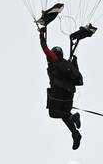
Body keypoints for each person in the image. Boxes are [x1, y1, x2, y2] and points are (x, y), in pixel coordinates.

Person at [38, 12, 97, 149]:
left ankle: (73, 121)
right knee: (64, 113)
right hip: (67, 97)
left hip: (58, 95)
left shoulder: (54, 60)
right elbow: (77, 78)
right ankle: (75, 133)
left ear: (54, 54)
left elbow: (44, 47)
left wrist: (42, 32)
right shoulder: (69, 63)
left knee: (53, 113)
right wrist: (74, 61)